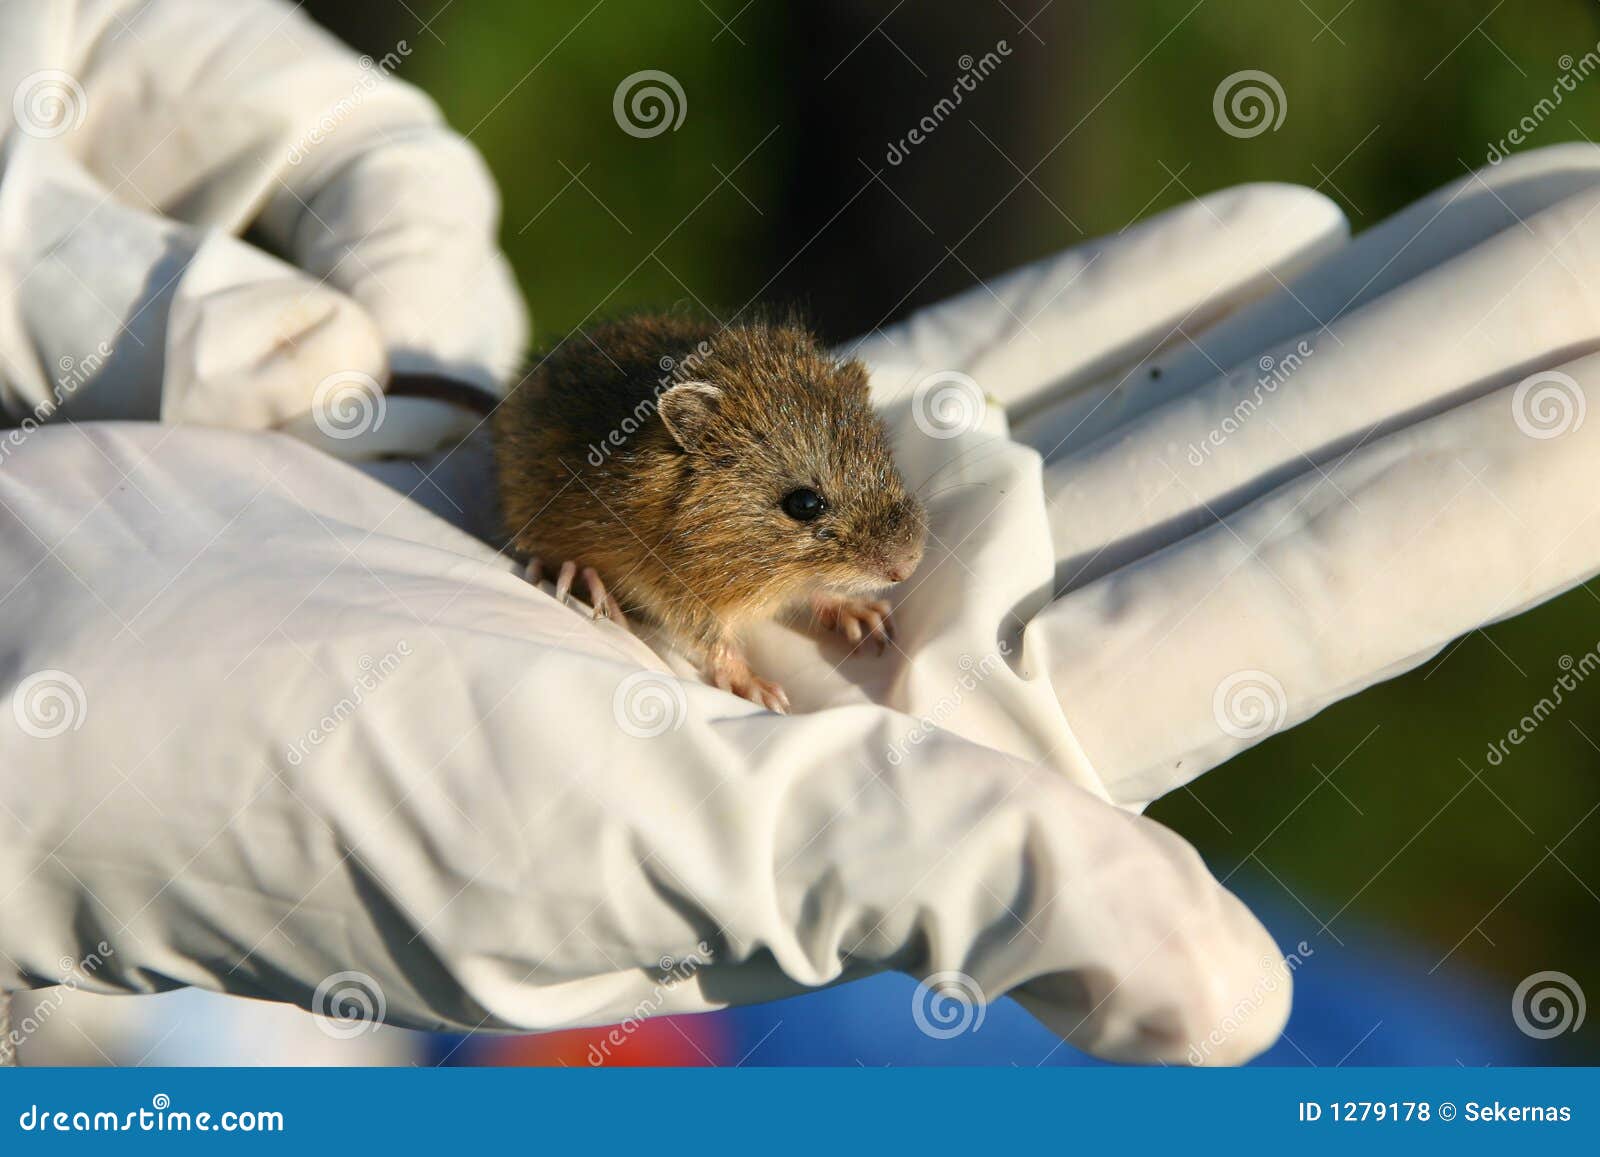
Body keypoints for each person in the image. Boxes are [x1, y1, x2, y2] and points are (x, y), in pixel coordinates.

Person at [4, 0, 1599, 1067]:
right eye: (813, 526)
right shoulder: (637, 507)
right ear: (685, 485)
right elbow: (662, 579)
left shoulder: (795, 469)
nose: (889, 562)